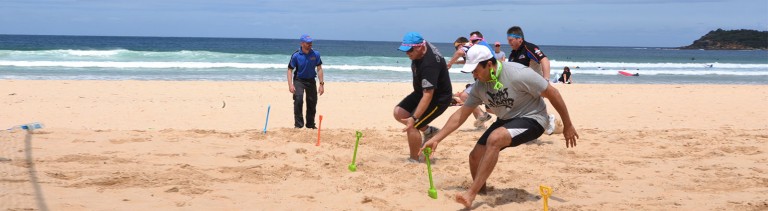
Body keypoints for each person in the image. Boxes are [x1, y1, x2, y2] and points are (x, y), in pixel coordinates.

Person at [420, 45, 579, 208]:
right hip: (506, 119)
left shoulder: (518, 73)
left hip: (533, 118)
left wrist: (568, 125)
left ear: (489, 64)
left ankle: (471, 194)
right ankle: (481, 191)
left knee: (495, 138)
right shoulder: (479, 86)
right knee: (475, 157)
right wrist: (437, 139)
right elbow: (461, 115)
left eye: (476, 70)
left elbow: (553, 94)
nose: (474, 75)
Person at [394, 32, 453, 162]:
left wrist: (414, 118)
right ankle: (428, 131)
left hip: (438, 99)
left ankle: (414, 159)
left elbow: (428, 95)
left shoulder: (429, 64)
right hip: (421, 92)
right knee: (399, 113)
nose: (407, 53)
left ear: (420, 47)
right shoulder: (422, 45)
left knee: (413, 124)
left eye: (410, 50)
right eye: (405, 50)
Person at [287, 34, 324, 129]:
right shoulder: (296, 55)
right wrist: (290, 85)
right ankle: (298, 125)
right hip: (299, 80)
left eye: (311, 42)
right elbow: (290, 70)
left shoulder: (316, 54)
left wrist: (321, 84)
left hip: (311, 80)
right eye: (308, 43)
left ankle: (310, 125)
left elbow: (319, 68)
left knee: (312, 102)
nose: (310, 44)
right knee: (298, 100)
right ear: (302, 43)